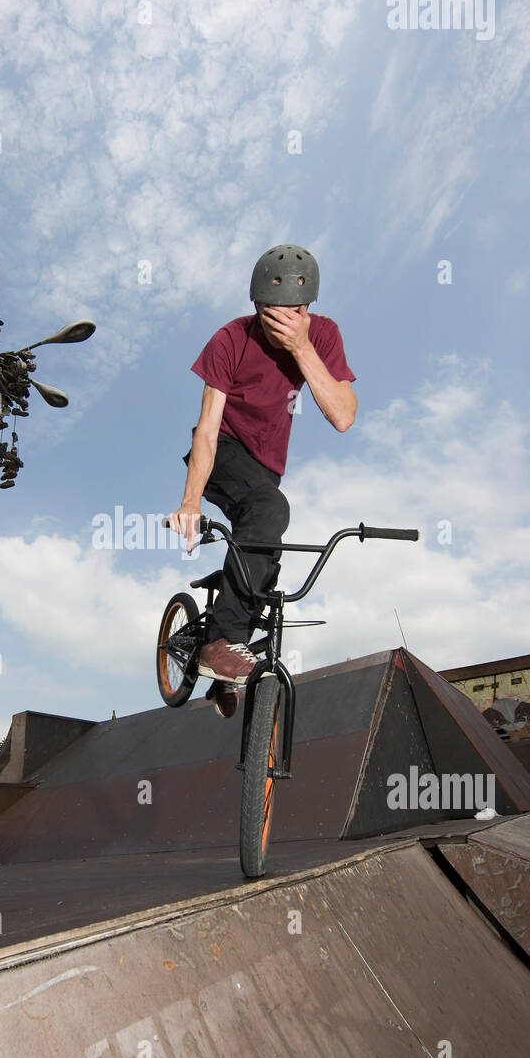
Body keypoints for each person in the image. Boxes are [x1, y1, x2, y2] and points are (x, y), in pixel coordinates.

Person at [167, 244, 357, 717]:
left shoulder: (323, 336)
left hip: (267, 466)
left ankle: (221, 665)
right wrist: (190, 503)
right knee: (271, 510)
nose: (281, 323)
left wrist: (302, 346)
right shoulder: (230, 339)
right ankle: (223, 642)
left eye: (293, 313)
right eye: (271, 313)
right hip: (223, 452)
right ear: (255, 306)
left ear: (306, 308)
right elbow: (207, 429)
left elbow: (343, 416)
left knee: (266, 558)